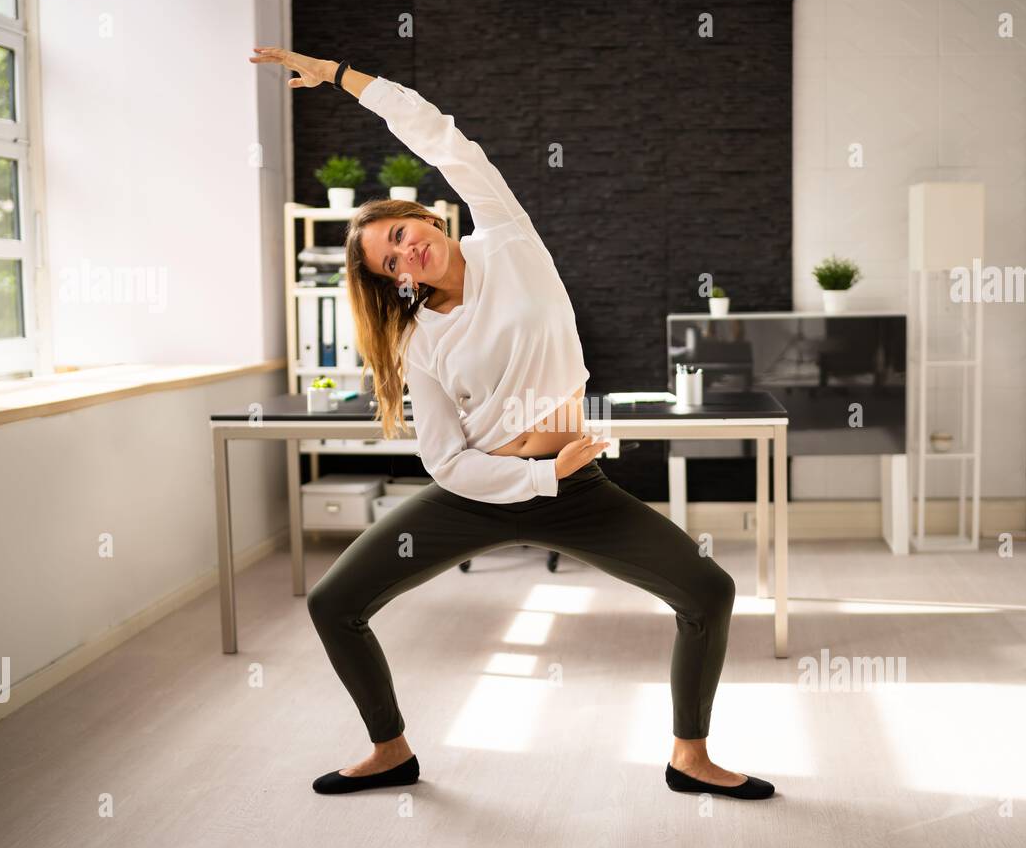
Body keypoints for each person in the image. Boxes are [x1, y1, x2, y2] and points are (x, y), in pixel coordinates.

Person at [248, 46, 774, 801]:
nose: (407, 249)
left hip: (577, 490)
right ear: (393, 282)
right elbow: (445, 460)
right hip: (480, 491)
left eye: (401, 230)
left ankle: (689, 756)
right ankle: (390, 748)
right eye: (390, 257)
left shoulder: (508, 236)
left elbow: (437, 133)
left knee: (707, 592)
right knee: (335, 604)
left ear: (423, 217)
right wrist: (534, 472)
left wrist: (337, 75)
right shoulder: (417, 339)